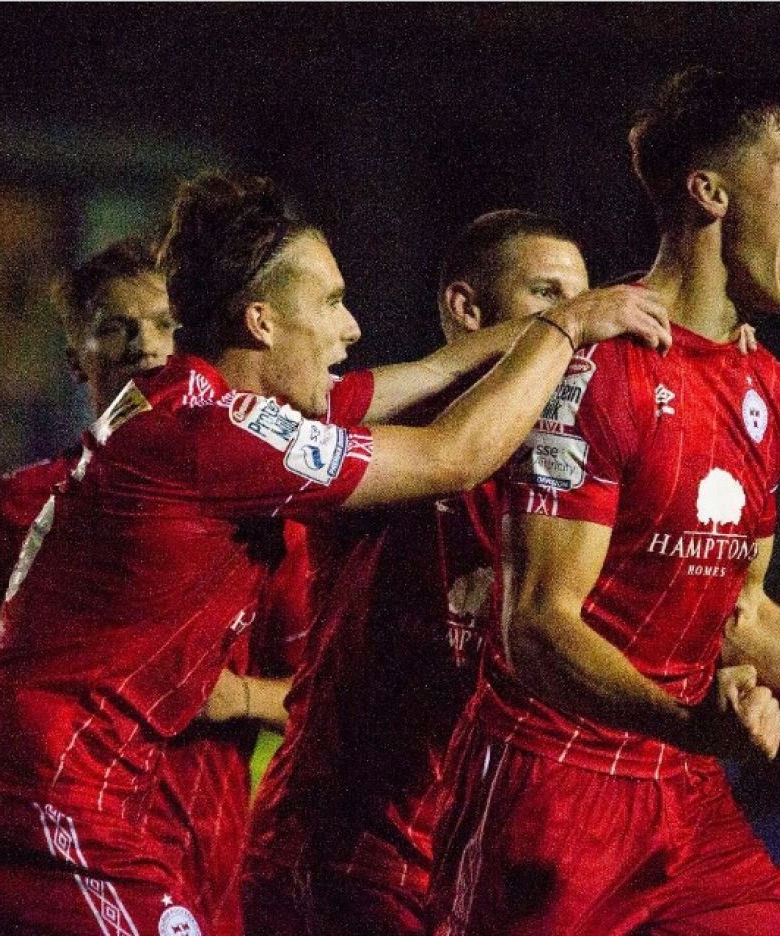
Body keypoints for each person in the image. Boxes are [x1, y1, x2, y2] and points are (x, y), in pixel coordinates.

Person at [0, 173, 673, 936]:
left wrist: (528, 331)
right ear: (263, 322)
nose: (351, 328)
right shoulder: (214, 438)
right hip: (56, 819)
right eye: (332, 301)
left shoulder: (195, 406)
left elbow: (423, 378)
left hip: (42, 815)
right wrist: (568, 327)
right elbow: (453, 453)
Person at [428, 67, 780, 936]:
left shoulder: (766, 385)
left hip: (686, 799)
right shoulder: (595, 367)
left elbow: (739, 613)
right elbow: (538, 624)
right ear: (711, 191)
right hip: (554, 795)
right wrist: (688, 722)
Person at [0, 236, 298, 934]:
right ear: (75, 359)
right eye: (116, 327)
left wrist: (239, 697)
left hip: (201, 863)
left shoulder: (255, 510)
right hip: (54, 857)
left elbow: (322, 695)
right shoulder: (17, 505)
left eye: (166, 324)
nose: (145, 346)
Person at [242, 209, 593, 936]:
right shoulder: (403, 440)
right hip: (347, 861)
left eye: (584, 299)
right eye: (549, 297)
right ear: (467, 310)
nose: (578, 323)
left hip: (468, 869)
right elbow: (446, 451)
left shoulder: (575, 475)